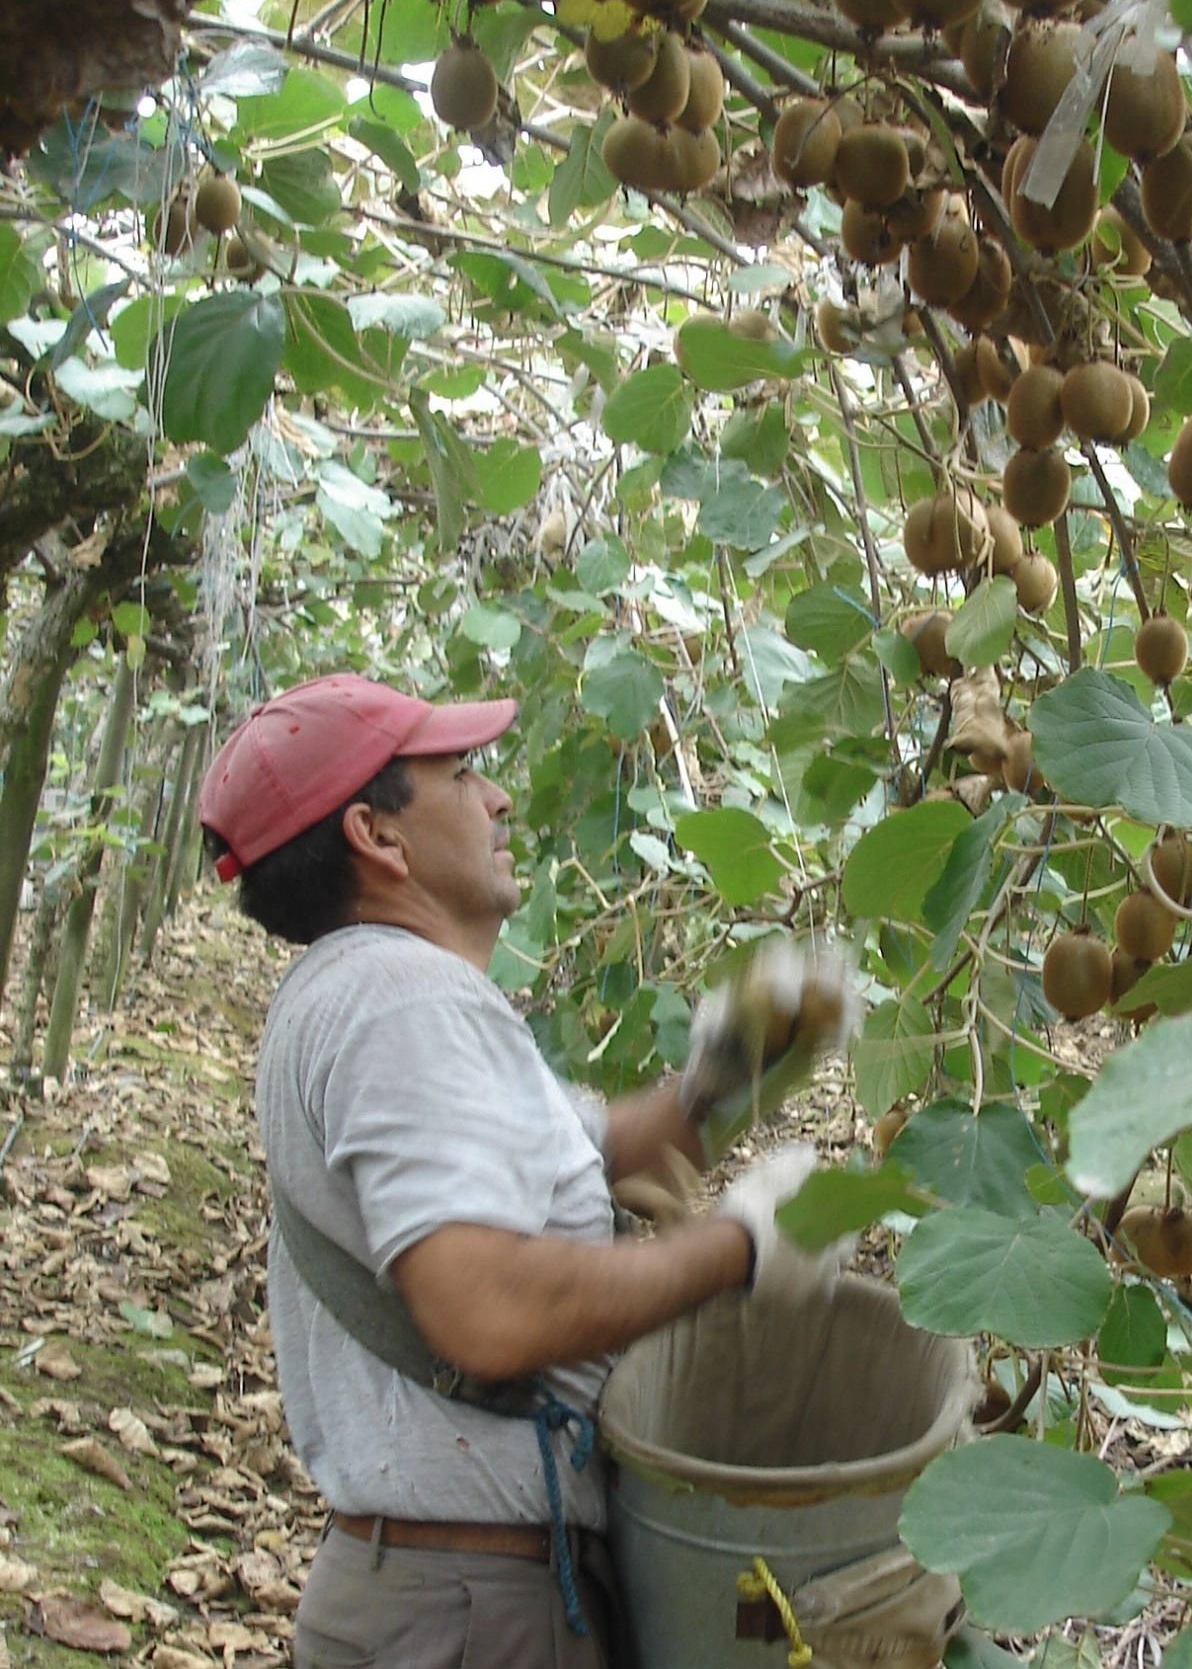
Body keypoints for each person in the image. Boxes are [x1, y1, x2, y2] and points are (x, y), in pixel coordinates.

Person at [198, 672, 843, 1668]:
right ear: (378, 835)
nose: (495, 796)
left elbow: (582, 1151)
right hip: (472, 1615)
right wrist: (740, 1248)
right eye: (460, 772)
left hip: (432, 1600)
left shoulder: (359, 994)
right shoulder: (401, 1001)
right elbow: (483, 1306)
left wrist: (725, 1079)